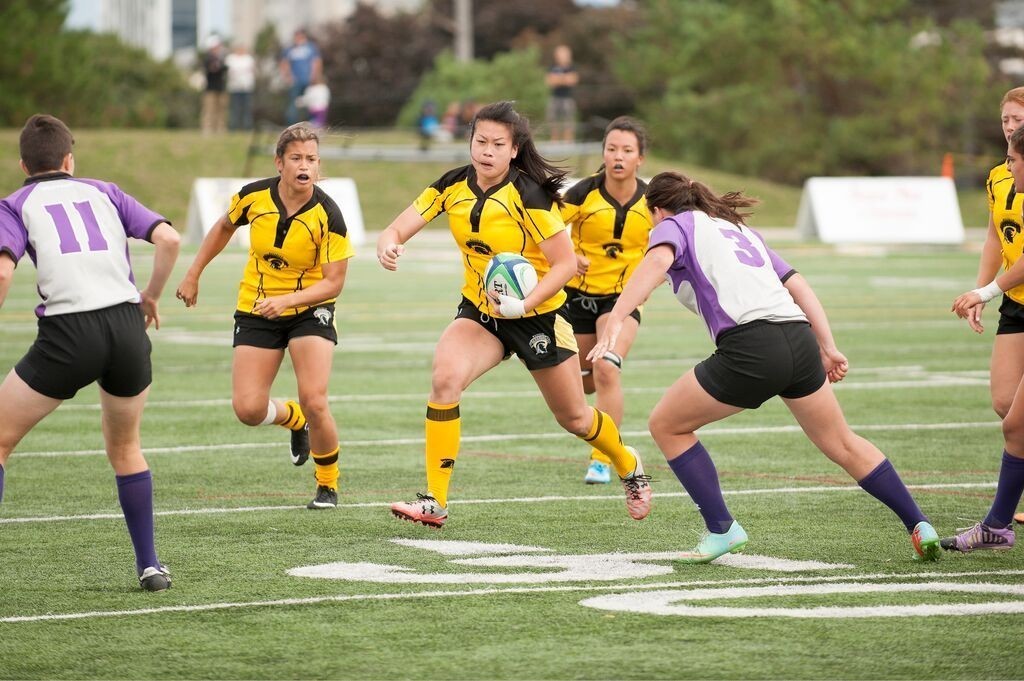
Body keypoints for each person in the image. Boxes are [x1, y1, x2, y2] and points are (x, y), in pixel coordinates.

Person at [589, 171, 942, 563]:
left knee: (666, 425)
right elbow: (798, 284)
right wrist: (828, 345)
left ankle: (721, 528)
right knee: (842, 442)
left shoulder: (674, 224)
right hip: (799, 338)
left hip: (754, 346)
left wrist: (617, 318)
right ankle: (919, 523)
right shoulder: (736, 229)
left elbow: (657, 262)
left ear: (657, 210)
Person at [376, 101, 651, 528]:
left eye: (497, 144)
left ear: (515, 150)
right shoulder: (451, 185)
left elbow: (563, 265)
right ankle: (435, 500)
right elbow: (397, 226)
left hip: (536, 316)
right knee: (445, 378)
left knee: (575, 418)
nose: (486, 150)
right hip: (481, 313)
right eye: (480, 141)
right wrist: (388, 243)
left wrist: (523, 304)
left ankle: (627, 461)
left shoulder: (531, 195)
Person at [0, 114, 181, 590]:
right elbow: (169, 238)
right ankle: (150, 566)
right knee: (126, 449)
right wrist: (151, 295)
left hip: (68, 334)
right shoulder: (105, 190)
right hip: (125, 328)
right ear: (69, 159)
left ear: (23, 164)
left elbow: (2, 272)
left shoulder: (16, 203)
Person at [175, 123, 353, 510]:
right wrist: (193, 273)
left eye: (312, 159)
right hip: (256, 307)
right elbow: (223, 227)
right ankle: (294, 420)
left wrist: (289, 301)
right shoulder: (252, 197)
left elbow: (334, 283)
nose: (305, 166)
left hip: (310, 309)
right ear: (279, 163)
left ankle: (327, 484)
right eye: (296, 158)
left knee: (315, 399)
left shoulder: (329, 214)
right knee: (248, 410)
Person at [945, 123, 1024, 552]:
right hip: (1018, 303)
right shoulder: (1005, 183)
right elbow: (998, 234)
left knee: (1017, 424)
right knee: (1012, 416)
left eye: (1013, 159)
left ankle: (996, 525)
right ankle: (997, 526)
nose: (1007, 166)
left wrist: (984, 290)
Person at [561, 116, 652, 484]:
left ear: (640, 158)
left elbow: (670, 242)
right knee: (579, 383)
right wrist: (569, 254)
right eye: (611, 148)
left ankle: (602, 457)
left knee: (607, 368)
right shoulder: (582, 193)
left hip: (622, 300)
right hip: (576, 298)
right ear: (603, 153)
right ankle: (599, 416)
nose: (618, 156)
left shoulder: (652, 200)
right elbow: (546, 228)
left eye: (627, 150)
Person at [280, 29, 322, 125]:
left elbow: (316, 62)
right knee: (293, 104)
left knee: (310, 103)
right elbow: (284, 63)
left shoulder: (311, 48)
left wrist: (315, 76)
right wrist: (288, 77)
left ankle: (310, 124)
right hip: (295, 82)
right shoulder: (290, 49)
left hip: (308, 81)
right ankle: (292, 125)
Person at [545, 45, 578, 143]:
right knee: (553, 119)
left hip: (567, 98)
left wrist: (558, 79)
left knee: (568, 120)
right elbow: (549, 81)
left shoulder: (572, 68)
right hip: (554, 98)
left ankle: (568, 141)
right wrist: (564, 78)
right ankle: (554, 141)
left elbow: (572, 80)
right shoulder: (552, 67)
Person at [201, 36, 229, 135]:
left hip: (221, 87)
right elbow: (211, 70)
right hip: (210, 88)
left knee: (221, 110)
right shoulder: (207, 59)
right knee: (209, 110)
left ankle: (221, 129)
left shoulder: (223, 58)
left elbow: (225, 69)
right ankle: (207, 129)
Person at [226, 42, 256, 131]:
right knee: (235, 108)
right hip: (234, 87)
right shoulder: (231, 59)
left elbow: (252, 71)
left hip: (246, 87)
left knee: (247, 108)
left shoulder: (249, 59)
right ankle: (233, 127)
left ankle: (247, 127)